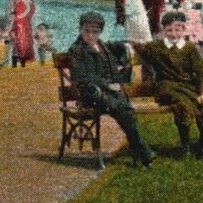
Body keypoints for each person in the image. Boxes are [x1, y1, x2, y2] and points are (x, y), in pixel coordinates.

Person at [65, 11, 155, 167]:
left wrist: (127, 46)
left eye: (95, 32)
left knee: (126, 109)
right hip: (89, 94)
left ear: (100, 32)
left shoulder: (103, 47)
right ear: (80, 29)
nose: (90, 35)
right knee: (122, 108)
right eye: (87, 31)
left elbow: (119, 49)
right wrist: (106, 84)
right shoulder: (76, 50)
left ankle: (139, 148)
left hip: (106, 93)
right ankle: (142, 149)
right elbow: (81, 78)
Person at [131, 11, 203, 159]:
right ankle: (185, 146)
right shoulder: (156, 46)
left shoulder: (189, 48)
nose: (174, 34)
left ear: (184, 30)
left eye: (178, 30)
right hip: (168, 87)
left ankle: (201, 147)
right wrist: (132, 47)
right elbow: (140, 48)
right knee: (183, 107)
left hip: (188, 87)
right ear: (163, 31)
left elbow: (201, 72)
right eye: (169, 30)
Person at [9, 0, 37, 66]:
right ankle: (17, 60)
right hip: (17, 20)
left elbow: (30, 8)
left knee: (22, 40)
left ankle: (23, 59)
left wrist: (21, 17)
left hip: (22, 21)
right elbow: (12, 7)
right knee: (16, 40)